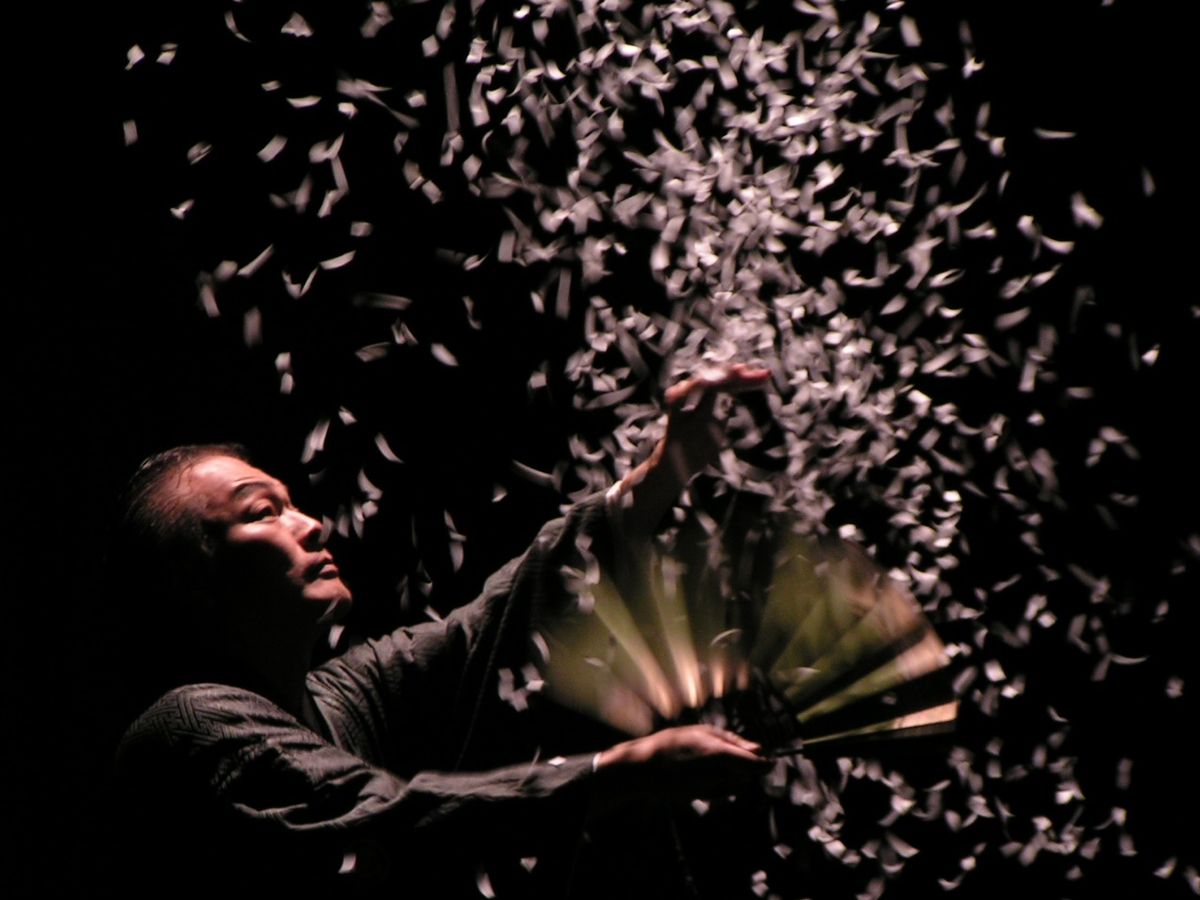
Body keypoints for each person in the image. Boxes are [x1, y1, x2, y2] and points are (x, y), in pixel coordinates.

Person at [110, 366, 772, 897]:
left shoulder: (339, 694)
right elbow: (389, 821)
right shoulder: (190, 727)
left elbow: (501, 616)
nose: (312, 525)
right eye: (263, 512)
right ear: (191, 579)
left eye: (295, 503)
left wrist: (665, 469)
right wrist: (618, 773)